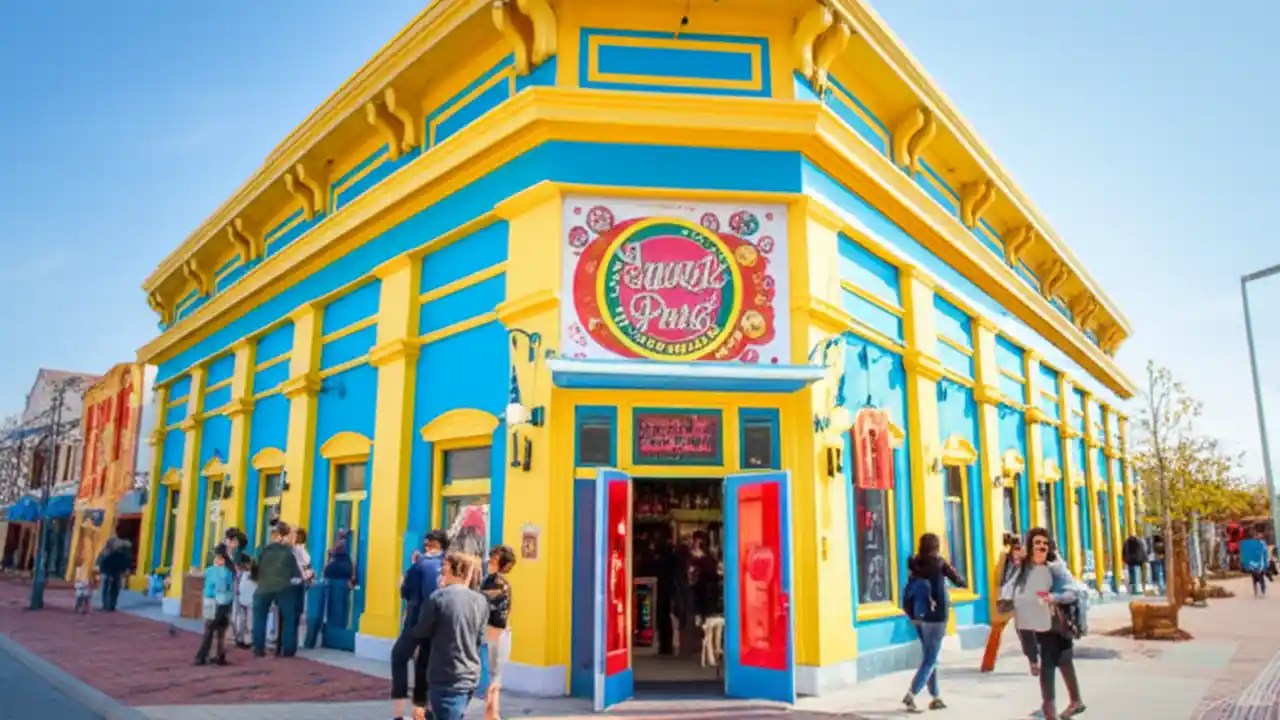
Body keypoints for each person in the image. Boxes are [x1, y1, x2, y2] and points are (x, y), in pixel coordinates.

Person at [1003, 527, 1085, 719]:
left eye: (1045, 543)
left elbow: (1073, 592)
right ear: (1030, 546)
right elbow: (1011, 589)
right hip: (1040, 624)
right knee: (1053, 665)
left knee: (1059, 664)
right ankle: (1063, 706)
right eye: (1037, 543)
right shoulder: (1024, 568)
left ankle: (1066, 705)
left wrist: (1053, 597)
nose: (1041, 547)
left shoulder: (1056, 567)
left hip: (1060, 624)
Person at [411, 551, 489, 720]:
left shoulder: (438, 598)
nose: (440, 574)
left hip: (445, 676)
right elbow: (480, 638)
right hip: (470, 675)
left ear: (456, 570)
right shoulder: (480, 601)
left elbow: (421, 635)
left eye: (444, 570)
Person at [901, 532, 966, 712]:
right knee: (931, 658)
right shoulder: (939, 563)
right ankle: (911, 694)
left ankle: (936, 696)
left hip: (920, 617)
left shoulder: (914, 564)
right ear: (936, 546)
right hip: (937, 616)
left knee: (929, 656)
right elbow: (960, 581)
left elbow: (908, 591)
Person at [391, 530, 449, 720]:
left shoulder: (419, 566)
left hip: (416, 620)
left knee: (399, 656)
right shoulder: (448, 565)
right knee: (424, 664)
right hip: (437, 623)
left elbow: (407, 592)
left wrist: (403, 582)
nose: (426, 547)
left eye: (428, 544)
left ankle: (399, 712)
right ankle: (423, 710)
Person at [252, 522, 302, 658]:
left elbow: (254, 569)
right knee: (289, 618)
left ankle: (258, 647)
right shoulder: (288, 553)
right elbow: (296, 574)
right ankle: (288, 649)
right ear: (284, 536)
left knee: (259, 617)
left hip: (263, 587)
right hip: (284, 587)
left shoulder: (264, 551)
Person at [481, 545, 516, 720]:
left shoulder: (489, 581)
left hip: (491, 634)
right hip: (496, 634)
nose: (489, 562)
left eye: (493, 559)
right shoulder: (500, 584)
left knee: (493, 677)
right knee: (495, 677)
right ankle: (492, 714)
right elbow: (500, 619)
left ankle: (492, 713)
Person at [981, 534, 1023, 672]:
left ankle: (987, 664)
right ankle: (1035, 663)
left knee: (997, 631)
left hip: (1007, 599)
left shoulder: (1004, 558)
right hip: (1011, 599)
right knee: (1025, 633)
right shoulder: (1014, 559)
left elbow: (998, 578)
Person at [306, 537, 355, 649]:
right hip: (336, 587)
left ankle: (332, 638)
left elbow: (327, 571)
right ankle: (333, 637)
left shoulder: (339, 560)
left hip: (336, 587)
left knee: (336, 613)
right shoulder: (343, 560)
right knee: (336, 613)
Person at [196, 544, 236, 666]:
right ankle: (220, 655)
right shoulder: (228, 572)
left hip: (208, 600)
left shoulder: (210, 570)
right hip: (222, 602)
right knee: (221, 630)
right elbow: (226, 588)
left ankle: (202, 656)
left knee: (208, 629)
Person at [97, 537, 131, 612]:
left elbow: (125, 561)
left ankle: (111, 604)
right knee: (107, 588)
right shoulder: (107, 552)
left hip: (115, 572)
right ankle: (106, 604)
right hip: (108, 572)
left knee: (113, 588)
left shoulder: (121, 552)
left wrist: (125, 570)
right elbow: (102, 563)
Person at [233, 557, 257, 649]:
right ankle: (247, 639)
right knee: (248, 621)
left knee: (241, 620)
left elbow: (236, 588)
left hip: (242, 600)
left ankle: (241, 638)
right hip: (250, 601)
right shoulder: (254, 575)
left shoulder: (241, 575)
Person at [1240, 529, 1269, 598]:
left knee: (1261, 577)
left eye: (1260, 535)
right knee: (1254, 578)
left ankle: (1262, 591)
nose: (1259, 536)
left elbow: (1265, 553)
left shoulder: (1263, 543)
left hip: (1261, 563)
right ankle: (1256, 591)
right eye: (1257, 535)